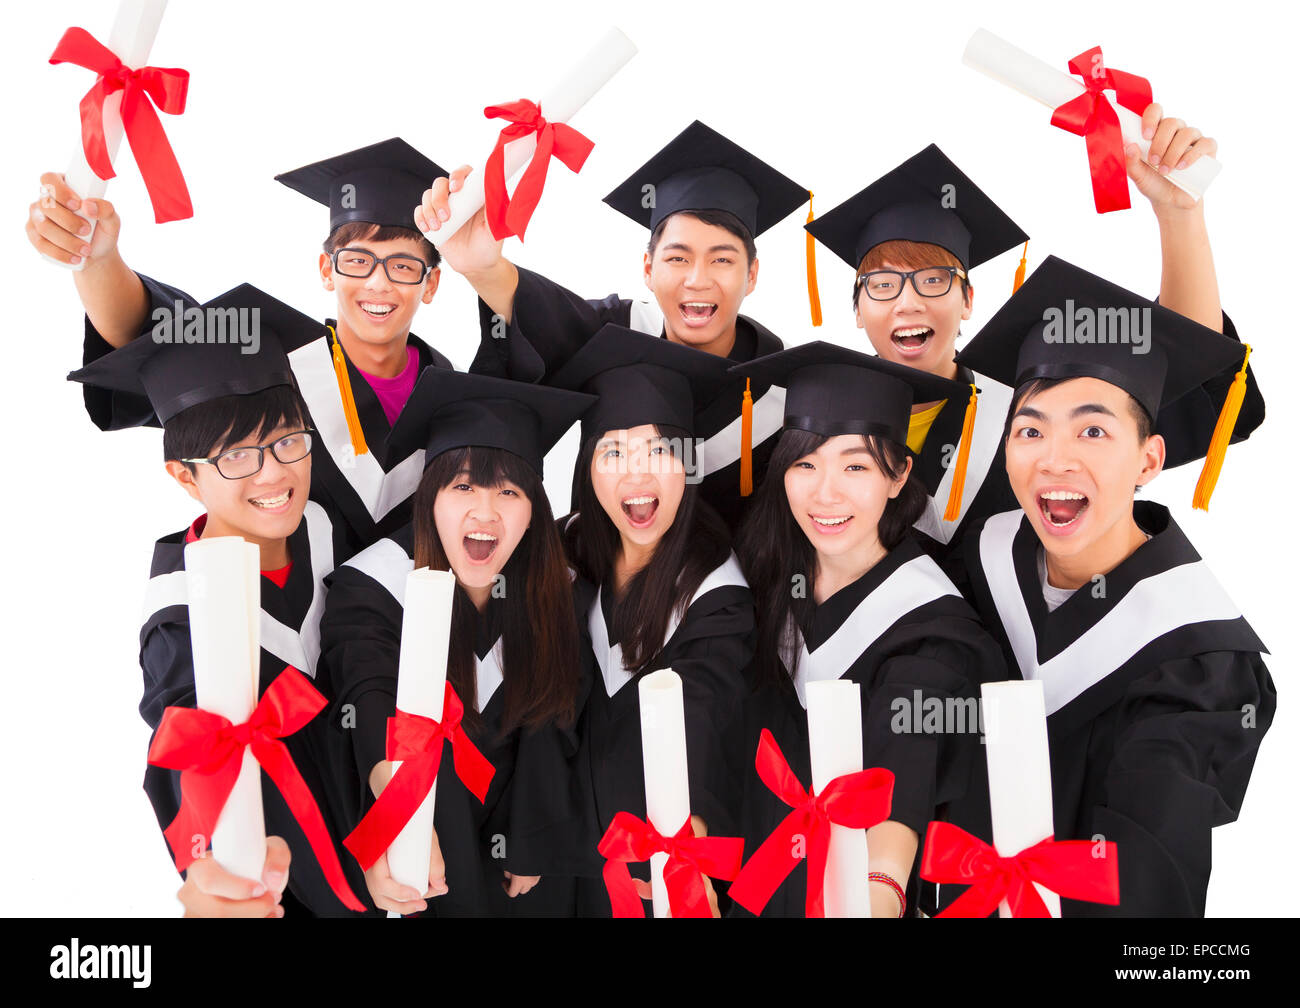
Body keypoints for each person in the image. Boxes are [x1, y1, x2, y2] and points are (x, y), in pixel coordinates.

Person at [944, 256, 1274, 916]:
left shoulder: (1196, 664)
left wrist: (1182, 219)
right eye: (1030, 429)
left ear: (1149, 458)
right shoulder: (982, 563)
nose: (1054, 458)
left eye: (1093, 430)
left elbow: (1147, 873)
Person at [806, 113, 1264, 581]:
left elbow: (1181, 367)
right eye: (881, 284)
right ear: (858, 309)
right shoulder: (807, 419)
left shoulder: (1031, 410)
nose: (908, 302)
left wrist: (1179, 216)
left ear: (967, 300)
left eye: (933, 280)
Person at [68, 285, 367, 917]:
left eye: (289, 440)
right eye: (236, 457)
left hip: (396, 854)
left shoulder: (325, 523)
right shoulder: (180, 615)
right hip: (289, 885)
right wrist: (207, 872)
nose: (272, 475)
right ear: (184, 475)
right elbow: (184, 742)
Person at [29, 138, 454, 557]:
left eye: (402, 265)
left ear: (430, 282)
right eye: (358, 260)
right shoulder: (274, 362)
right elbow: (170, 336)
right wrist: (98, 259)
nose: (377, 283)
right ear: (328, 269)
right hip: (274, 616)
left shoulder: (451, 391)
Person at [725, 342, 1006, 917]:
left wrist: (879, 893)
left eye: (855, 465)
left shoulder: (932, 627)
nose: (825, 493)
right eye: (805, 464)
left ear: (900, 474)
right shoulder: (763, 582)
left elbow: (903, 760)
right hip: (755, 888)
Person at [421, 121, 811, 531]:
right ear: (647, 268)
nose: (698, 279)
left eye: (722, 260)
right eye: (677, 258)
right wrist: (484, 269)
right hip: (594, 580)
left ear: (751, 275)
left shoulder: (783, 394)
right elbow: (548, 319)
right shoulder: (617, 333)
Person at [317, 369, 597, 916]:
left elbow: (559, 710)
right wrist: (399, 815)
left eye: (510, 491)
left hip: (526, 856)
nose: (486, 512)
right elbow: (366, 698)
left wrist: (533, 832)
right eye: (463, 486)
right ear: (431, 495)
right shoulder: (371, 588)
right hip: (425, 836)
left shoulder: (554, 586)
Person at [548, 324, 756, 916]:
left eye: (660, 450)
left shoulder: (717, 594)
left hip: (654, 871)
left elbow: (708, 715)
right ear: (587, 466)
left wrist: (684, 834)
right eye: (612, 451)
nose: (636, 476)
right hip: (558, 871)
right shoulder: (557, 559)